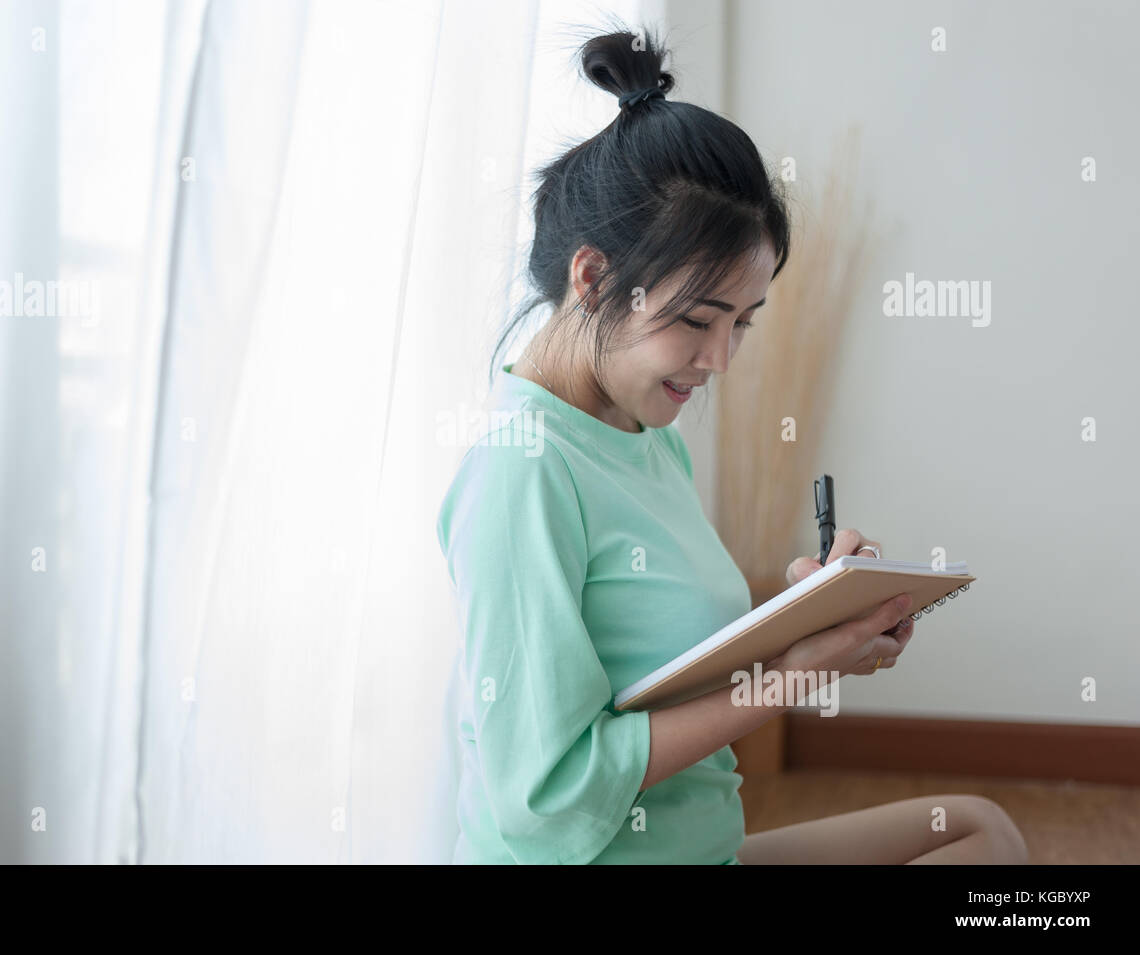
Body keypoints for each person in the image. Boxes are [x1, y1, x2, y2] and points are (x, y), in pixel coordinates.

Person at [434, 25, 1028, 865]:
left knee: (979, 831)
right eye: (697, 320)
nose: (720, 360)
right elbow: (542, 802)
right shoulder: (520, 470)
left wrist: (814, 627)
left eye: (741, 324)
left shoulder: (643, 432)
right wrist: (791, 677)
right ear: (595, 278)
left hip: (698, 850)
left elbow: (660, 669)